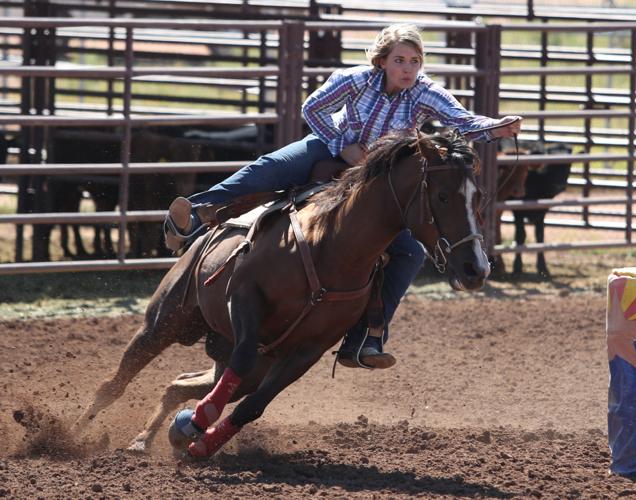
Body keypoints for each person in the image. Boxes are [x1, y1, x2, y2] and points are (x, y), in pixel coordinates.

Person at [164, 23, 523, 370]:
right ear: (382, 60)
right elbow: (313, 108)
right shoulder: (354, 79)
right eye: (400, 60)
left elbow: (461, 119)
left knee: (410, 250)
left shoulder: (425, 92)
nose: (408, 69)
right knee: (271, 167)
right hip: (331, 148)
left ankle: (368, 337)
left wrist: (497, 127)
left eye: (415, 61)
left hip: (378, 176)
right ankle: (195, 213)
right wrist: (345, 146)